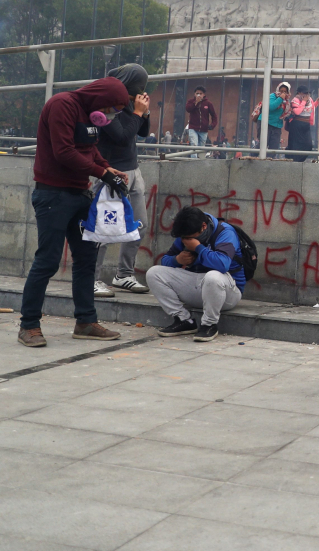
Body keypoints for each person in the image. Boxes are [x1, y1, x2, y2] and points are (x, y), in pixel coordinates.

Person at [17, 77, 132, 347]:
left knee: (86, 259)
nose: (111, 115)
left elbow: (90, 149)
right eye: (112, 108)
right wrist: (102, 173)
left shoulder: (91, 115)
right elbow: (64, 152)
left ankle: (86, 322)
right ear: (101, 99)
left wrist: (108, 168)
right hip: (52, 195)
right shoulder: (62, 105)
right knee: (48, 260)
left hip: (80, 194)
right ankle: (29, 325)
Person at [93, 64, 153, 298]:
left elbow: (142, 132)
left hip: (134, 170)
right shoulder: (105, 104)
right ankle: (91, 278)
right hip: (111, 172)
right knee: (103, 230)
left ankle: (124, 274)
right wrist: (137, 113)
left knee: (139, 225)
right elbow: (121, 137)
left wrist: (144, 112)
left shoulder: (129, 102)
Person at [145, 206, 245, 343]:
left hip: (227, 292)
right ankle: (184, 320)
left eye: (190, 238)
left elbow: (223, 265)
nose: (186, 241)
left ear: (204, 226)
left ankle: (209, 325)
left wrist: (198, 248)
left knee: (212, 276)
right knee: (154, 273)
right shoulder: (186, 232)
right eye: (184, 238)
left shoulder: (225, 232)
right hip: (199, 286)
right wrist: (177, 260)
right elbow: (165, 260)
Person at [252, 81, 290, 152]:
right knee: (263, 144)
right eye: (281, 91)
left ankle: (270, 158)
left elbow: (286, 113)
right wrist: (280, 98)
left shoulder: (287, 101)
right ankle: (253, 155)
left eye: (285, 91)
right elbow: (270, 107)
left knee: (274, 146)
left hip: (277, 126)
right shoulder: (272, 96)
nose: (283, 93)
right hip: (266, 123)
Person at [283, 85, 317, 162]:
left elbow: (311, 108)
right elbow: (297, 112)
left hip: (306, 125)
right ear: (299, 93)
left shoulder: (310, 99)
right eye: (304, 93)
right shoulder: (295, 100)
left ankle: (299, 161)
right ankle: (294, 161)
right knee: (295, 145)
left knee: (308, 145)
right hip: (297, 124)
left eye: (307, 93)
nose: (306, 95)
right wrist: (304, 101)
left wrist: (317, 102)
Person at [184, 86, 217, 157]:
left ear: (204, 94)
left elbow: (214, 115)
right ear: (194, 94)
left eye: (200, 93)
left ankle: (200, 160)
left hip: (203, 129)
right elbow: (188, 109)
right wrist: (196, 102)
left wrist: (212, 125)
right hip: (193, 127)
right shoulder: (190, 101)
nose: (198, 95)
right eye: (197, 93)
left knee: (201, 148)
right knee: (194, 145)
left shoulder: (208, 103)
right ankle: (193, 161)